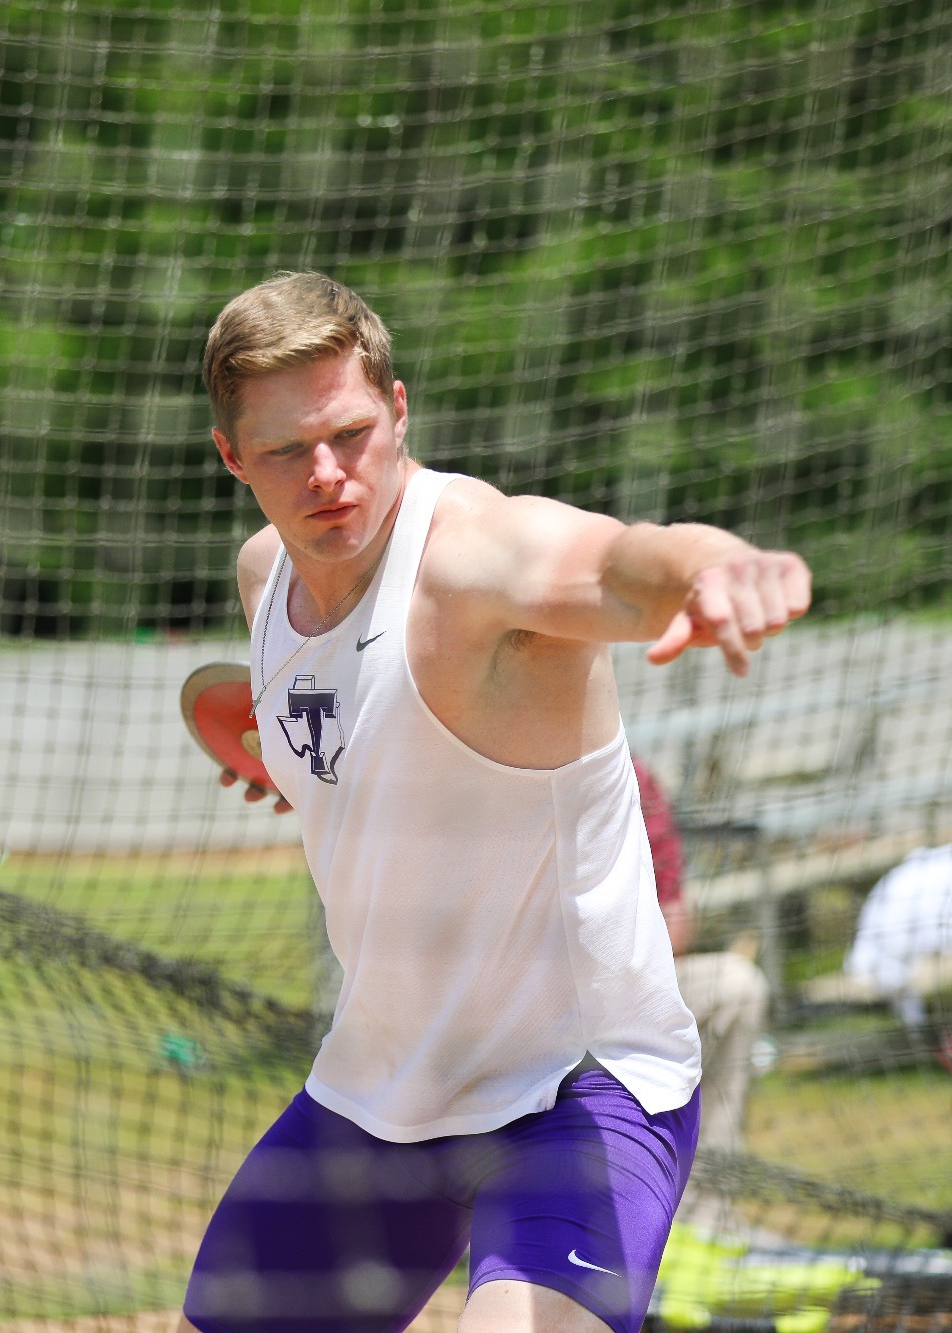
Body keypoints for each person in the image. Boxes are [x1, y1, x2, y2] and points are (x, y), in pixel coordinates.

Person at [183, 272, 810, 1333]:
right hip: (384, 1087)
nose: (328, 475)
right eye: (288, 451)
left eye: (349, 433)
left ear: (398, 411)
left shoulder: (471, 559)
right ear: (232, 457)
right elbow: (295, 714)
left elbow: (615, 559)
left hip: (578, 1088)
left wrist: (715, 567)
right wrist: (289, 763)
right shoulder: (265, 580)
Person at [633, 758, 771, 1168]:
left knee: (736, 987)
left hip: (625, 988)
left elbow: (676, 917)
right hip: (520, 1006)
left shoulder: (628, 773)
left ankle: (706, 1210)